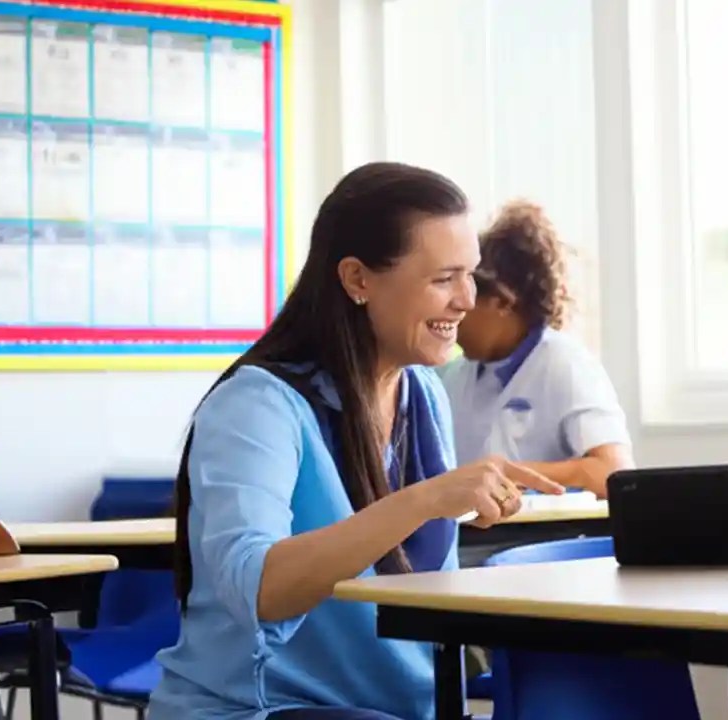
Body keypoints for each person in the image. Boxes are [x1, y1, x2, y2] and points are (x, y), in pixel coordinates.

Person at [149, 163, 564, 720]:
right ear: (357, 280)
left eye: (471, 274)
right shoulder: (258, 405)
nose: (467, 299)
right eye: (443, 278)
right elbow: (259, 590)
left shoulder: (424, 394)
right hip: (263, 711)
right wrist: (426, 499)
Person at [440, 199, 633, 499]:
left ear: (503, 302)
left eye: (467, 298)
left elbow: (611, 472)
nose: (454, 310)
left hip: (543, 537)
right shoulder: (451, 377)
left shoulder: (564, 364)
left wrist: (500, 474)